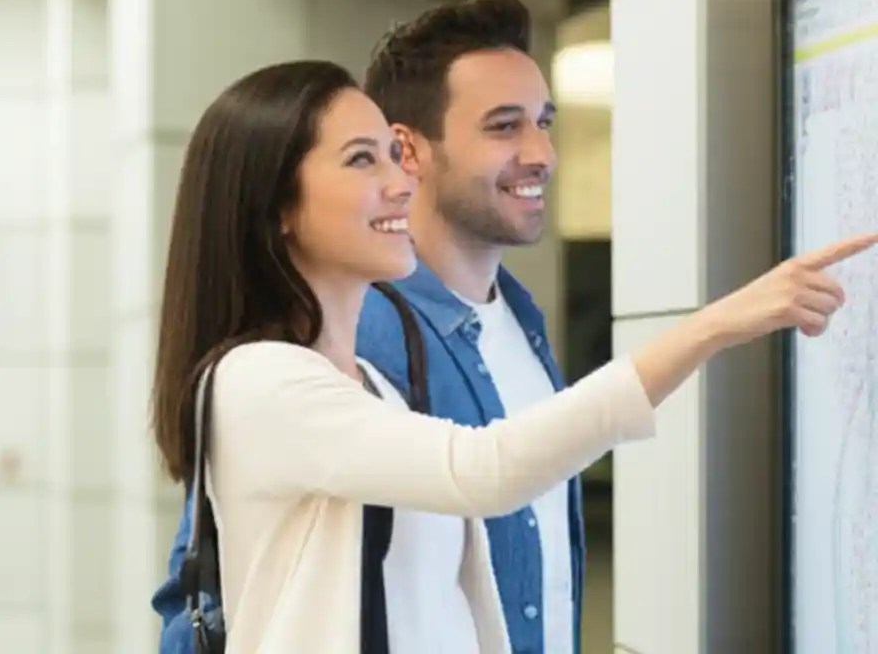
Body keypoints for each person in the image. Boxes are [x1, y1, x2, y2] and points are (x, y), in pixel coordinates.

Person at [148, 57, 871, 652]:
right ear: (277, 206)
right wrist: (710, 328)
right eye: (362, 160)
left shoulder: (372, 384)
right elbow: (486, 471)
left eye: (393, 156)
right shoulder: (260, 382)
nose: (401, 182)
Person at [151, 0, 588, 654]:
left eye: (543, 123)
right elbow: (206, 590)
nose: (541, 154)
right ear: (412, 150)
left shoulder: (523, 324)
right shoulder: (358, 336)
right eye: (503, 126)